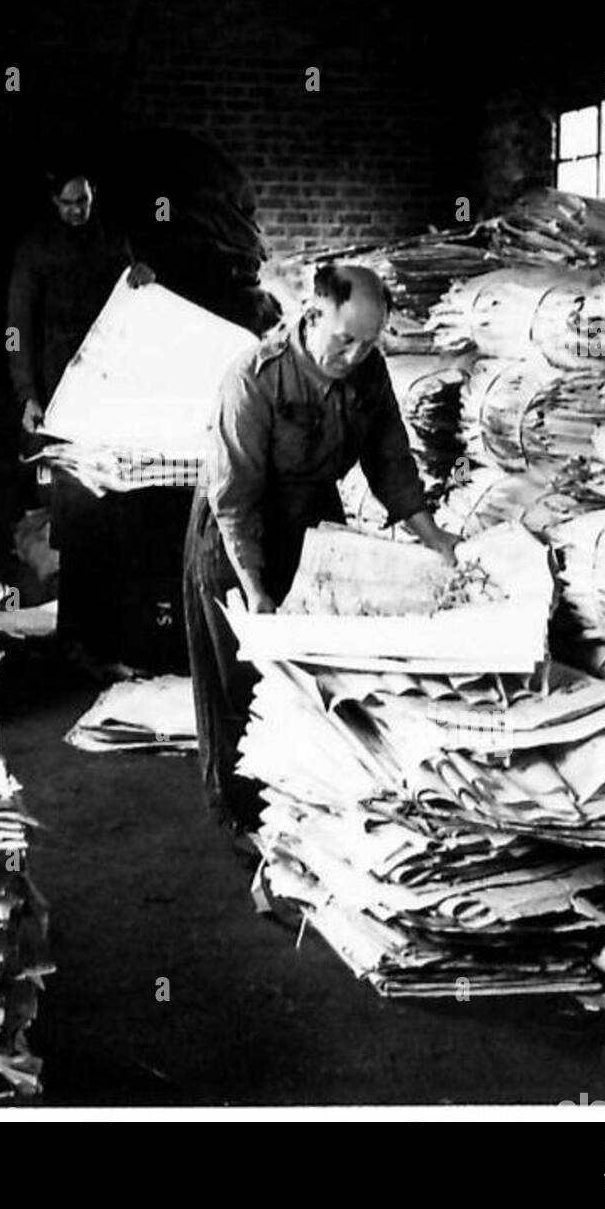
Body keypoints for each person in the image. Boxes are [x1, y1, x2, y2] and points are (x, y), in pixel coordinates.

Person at [183, 263, 462, 836]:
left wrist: (434, 539)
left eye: (368, 343)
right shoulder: (254, 377)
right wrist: (257, 590)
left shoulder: (369, 371)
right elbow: (235, 499)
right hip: (237, 531)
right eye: (344, 340)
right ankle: (244, 822)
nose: (355, 355)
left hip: (313, 520)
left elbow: (391, 460)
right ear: (313, 316)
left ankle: (306, 816)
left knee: (316, 677)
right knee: (243, 680)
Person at [7, 169, 154, 433]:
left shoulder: (112, 238)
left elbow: (134, 301)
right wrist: (26, 394)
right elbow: (15, 328)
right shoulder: (35, 248)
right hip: (54, 371)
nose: (76, 210)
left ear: (93, 195)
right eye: (68, 204)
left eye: (82, 201)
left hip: (104, 365)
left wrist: (146, 278)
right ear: (54, 200)